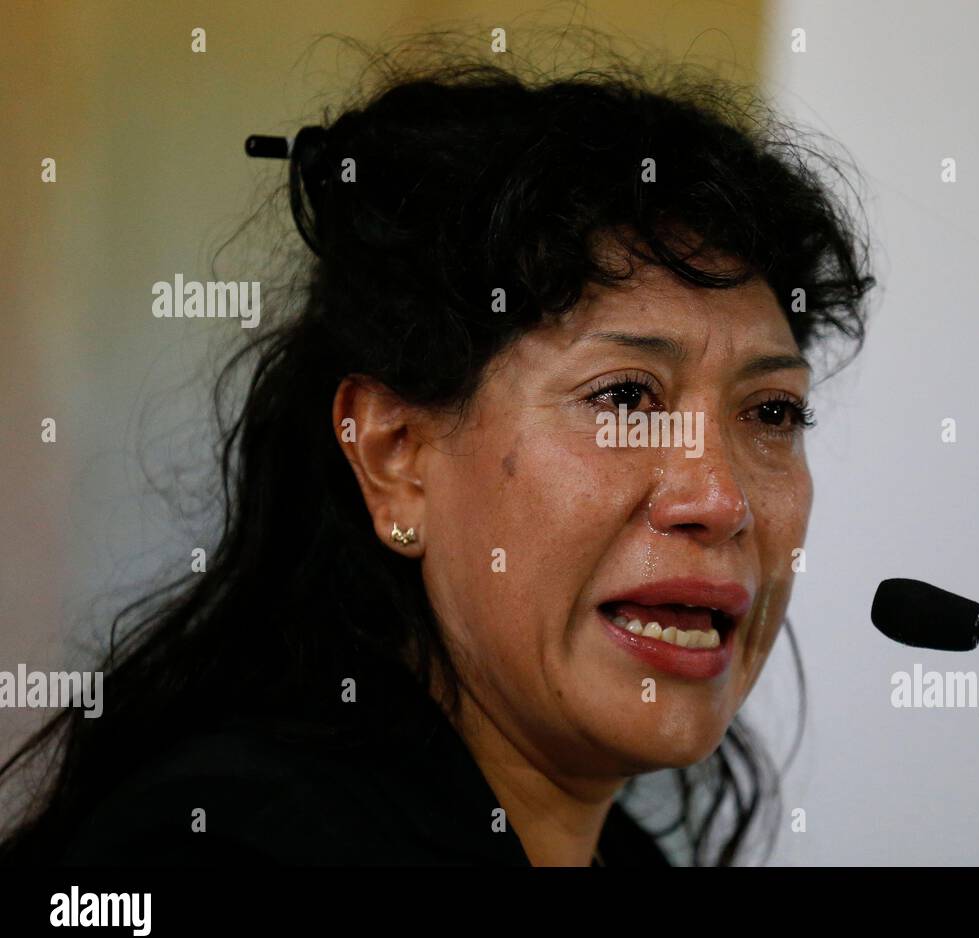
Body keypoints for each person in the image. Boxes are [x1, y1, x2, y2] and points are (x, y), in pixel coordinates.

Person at [0, 34, 875, 867]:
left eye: (770, 412)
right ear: (395, 456)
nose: (721, 499)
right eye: (624, 397)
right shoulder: (226, 849)